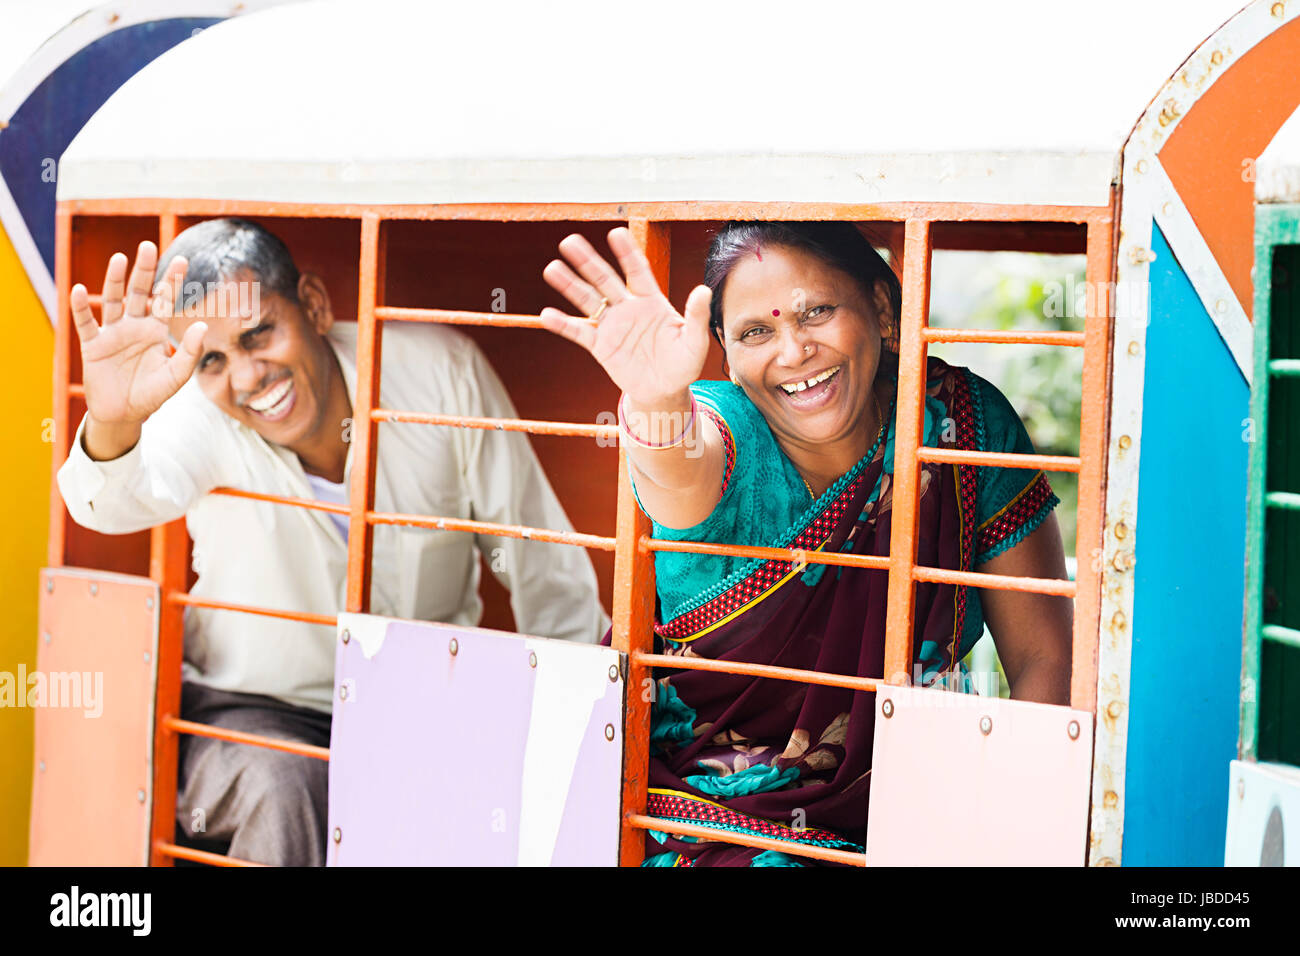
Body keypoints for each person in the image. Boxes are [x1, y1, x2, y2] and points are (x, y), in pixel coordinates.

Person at [57, 218, 608, 866]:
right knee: (285, 791)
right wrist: (116, 420)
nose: (246, 377)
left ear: (314, 305)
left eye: (258, 334)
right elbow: (109, 501)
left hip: (424, 706)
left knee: (478, 807)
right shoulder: (201, 415)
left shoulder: (438, 372)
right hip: (253, 714)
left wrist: (578, 733)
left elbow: (538, 557)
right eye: (212, 359)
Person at [540, 220, 1072, 866]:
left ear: (881, 307)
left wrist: (1012, 831)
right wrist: (655, 399)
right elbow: (679, 469)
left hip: (916, 812)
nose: (793, 352)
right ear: (726, 355)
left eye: (815, 312)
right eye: (755, 333)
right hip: (701, 824)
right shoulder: (723, 427)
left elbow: (1047, 659)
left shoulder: (961, 422)